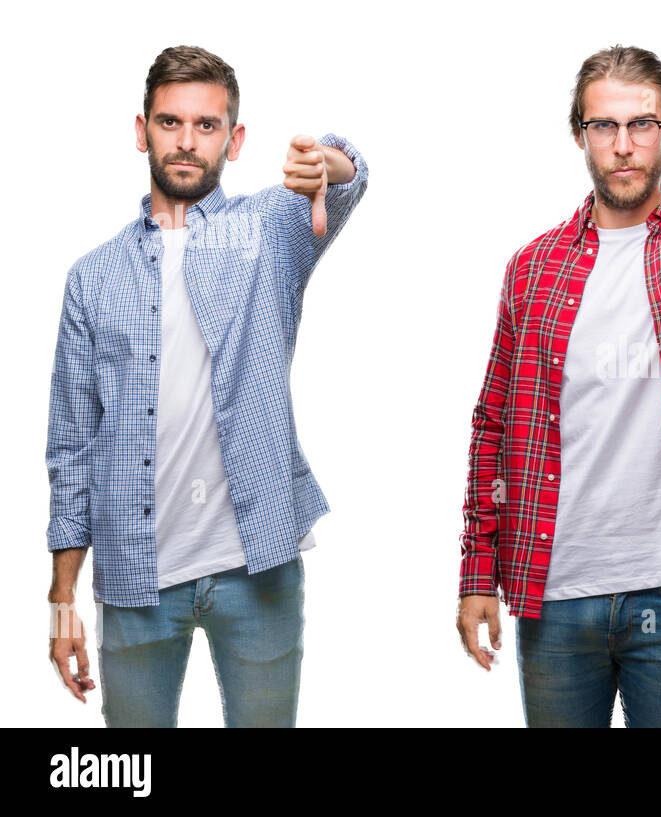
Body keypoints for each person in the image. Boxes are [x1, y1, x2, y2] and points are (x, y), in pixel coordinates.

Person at [45, 45, 368, 727]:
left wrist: (329, 163)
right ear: (142, 131)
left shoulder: (271, 228)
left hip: (258, 570)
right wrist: (61, 598)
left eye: (207, 125)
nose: (187, 142)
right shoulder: (93, 278)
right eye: (170, 123)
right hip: (135, 579)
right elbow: (70, 448)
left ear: (234, 138)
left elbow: (347, 181)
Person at [455, 44, 661, 727]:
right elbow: (494, 422)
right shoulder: (533, 267)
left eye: (643, 125)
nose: (624, 146)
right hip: (556, 587)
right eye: (605, 126)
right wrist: (479, 570)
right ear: (580, 134)